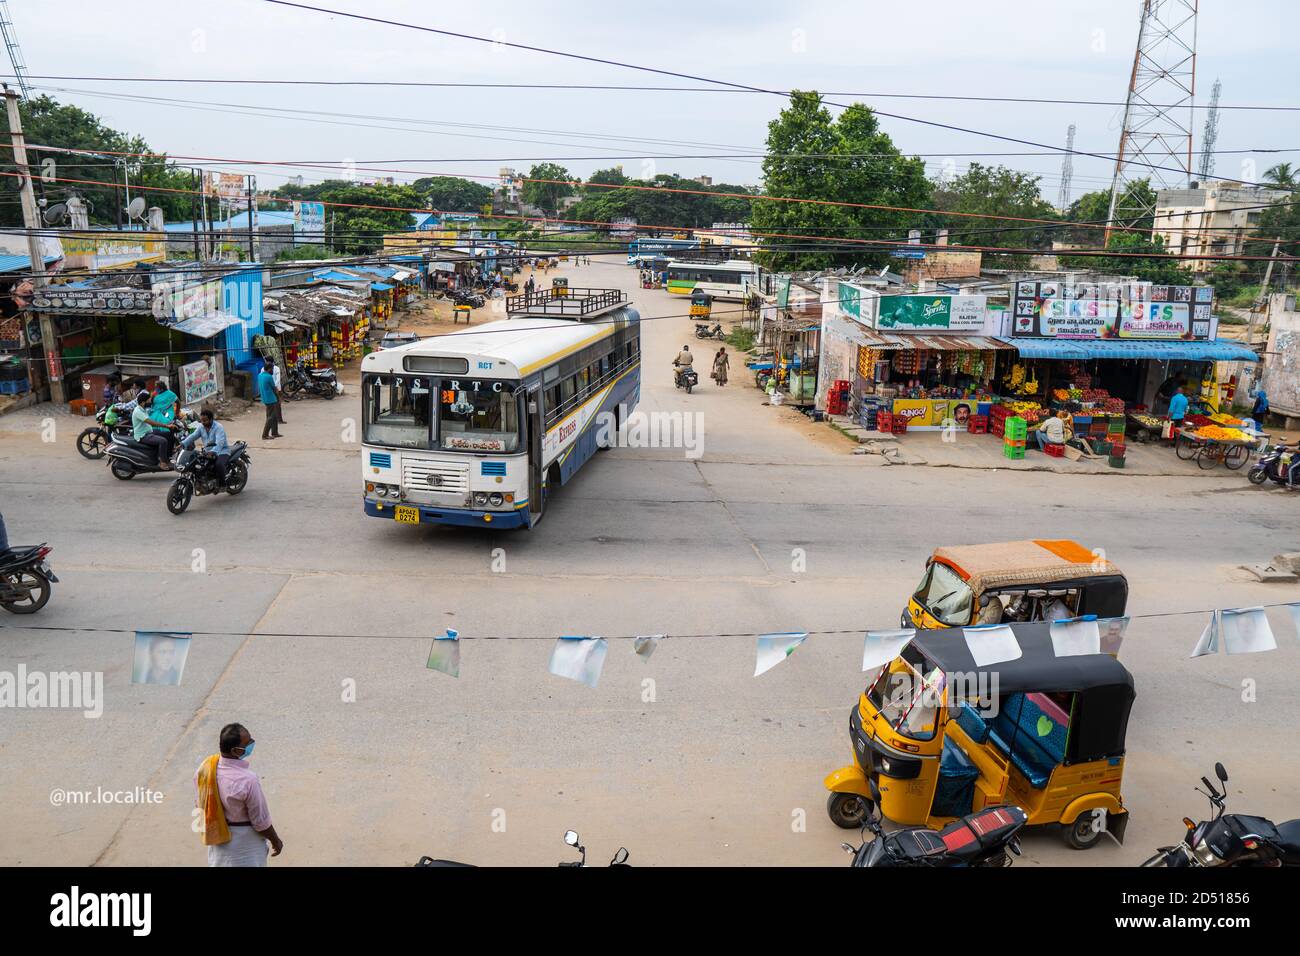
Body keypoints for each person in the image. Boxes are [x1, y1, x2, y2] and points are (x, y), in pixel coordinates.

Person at [194, 723, 283, 867]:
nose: (252, 743)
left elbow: (199, 801)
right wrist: (275, 840)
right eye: (248, 743)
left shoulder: (205, 768)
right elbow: (260, 821)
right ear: (236, 750)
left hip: (218, 840)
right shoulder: (248, 780)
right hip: (245, 844)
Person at [182, 407, 232, 484]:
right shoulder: (201, 427)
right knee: (197, 463)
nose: (203, 422)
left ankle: (223, 484)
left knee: (218, 464)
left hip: (222, 451)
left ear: (211, 419)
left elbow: (220, 442)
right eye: (201, 420)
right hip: (207, 452)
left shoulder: (218, 427)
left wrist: (213, 451)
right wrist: (183, 444)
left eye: (205, 420)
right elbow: (193, 436)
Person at [131, 390, 174, 467]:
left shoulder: (143, 409)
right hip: (143, 435)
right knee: (163, 441)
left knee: (168, 434)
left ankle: (167, 458)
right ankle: (162, 462)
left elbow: (156, 410)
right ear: (143, 402)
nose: (150, 402)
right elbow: (151, 422)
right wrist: (166, 426)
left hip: (149, 431)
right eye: (149, 401)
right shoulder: (138, 411)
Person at [258, 359, 281, 440]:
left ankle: (274, 432)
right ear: (269, 369)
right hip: (271, 399)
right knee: (270, 417)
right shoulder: (269, 377)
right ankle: (265, 435)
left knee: (273, 416)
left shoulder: (260, 375)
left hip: (265, 398)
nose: (273, 370)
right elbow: (274, 388)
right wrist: (278, 397)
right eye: (272, 369)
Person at [271, 359, 286, 424]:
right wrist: (274, 386)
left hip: (273, 388)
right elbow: (278, 379)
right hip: (275, 388)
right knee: (276, 404)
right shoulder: (276, 368)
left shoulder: (264, 368)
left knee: (273, 405)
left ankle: (277, 419)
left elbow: (278, 379)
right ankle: (278, 420)